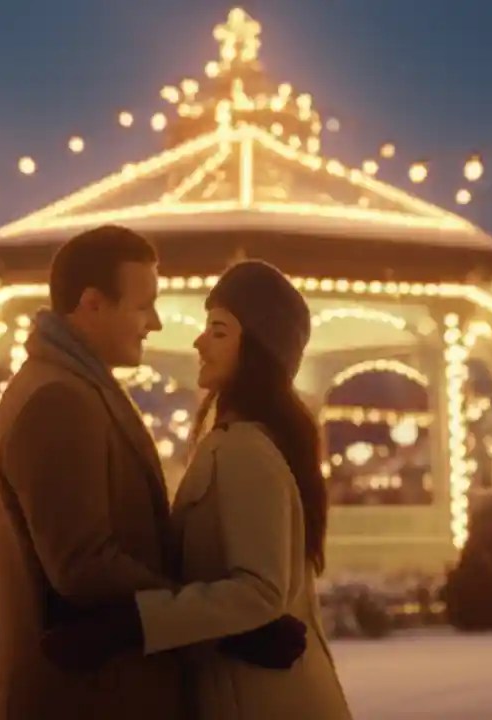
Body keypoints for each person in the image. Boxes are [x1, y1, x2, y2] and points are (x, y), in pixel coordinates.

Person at [0, 227, 305, 720]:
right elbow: (84, 565)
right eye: (143, 306)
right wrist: (222, 622)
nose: (155, 323)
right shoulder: (58, 399)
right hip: (89, 698)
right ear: (92, 305)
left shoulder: (74, 389)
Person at [43, 260, 353, 719]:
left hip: (259, 701)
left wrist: (133, 623)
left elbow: (260, 590)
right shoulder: (243, 441)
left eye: (219, 331)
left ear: (258, 352)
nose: (199, 341)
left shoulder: (244, 448)